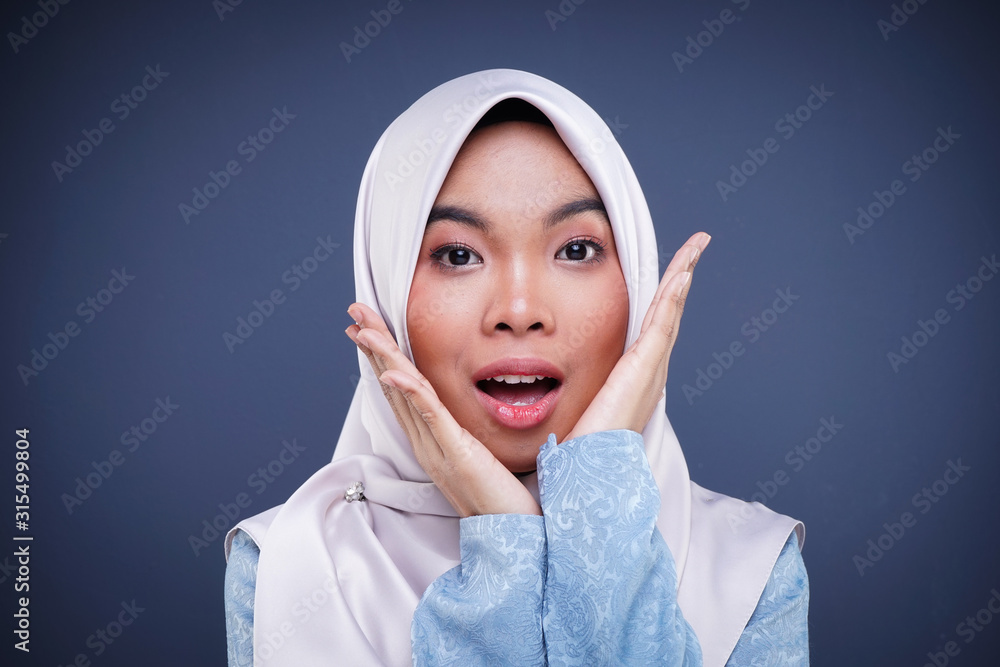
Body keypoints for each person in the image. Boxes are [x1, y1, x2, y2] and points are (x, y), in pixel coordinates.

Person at [224, 69, 808, 666]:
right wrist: (503, 543)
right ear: (384, 284)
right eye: (457, 255)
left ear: (636, 278)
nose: (519, 311)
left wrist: (592, 503)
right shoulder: (289, 565)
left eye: (575, 250)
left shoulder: (749, 568)